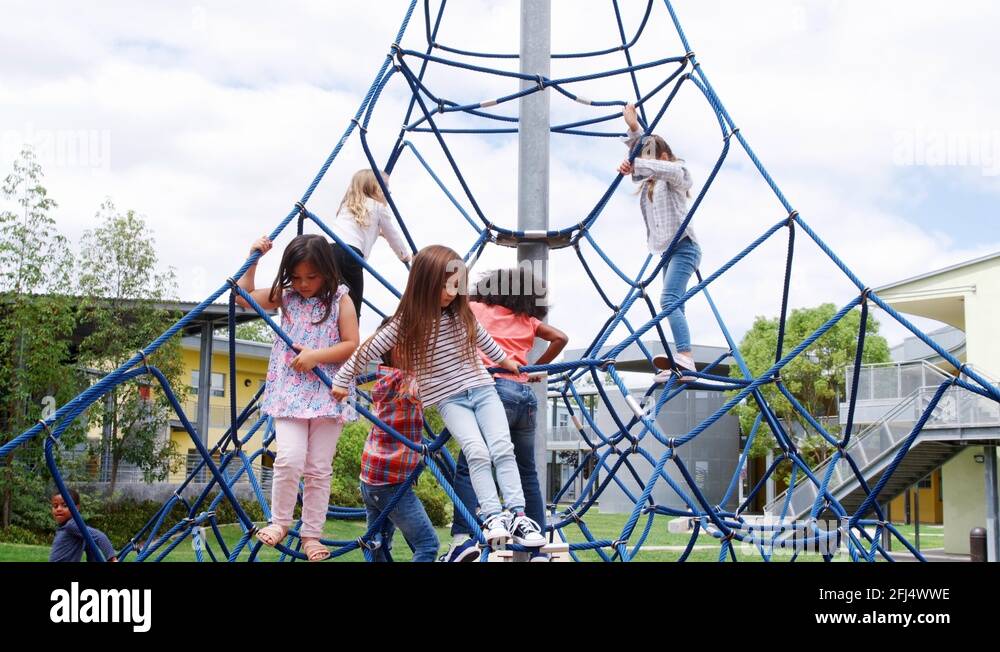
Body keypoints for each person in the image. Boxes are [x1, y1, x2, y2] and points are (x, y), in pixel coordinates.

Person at [331, 245, 545, 549]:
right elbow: (369, 349)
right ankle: (493, 516)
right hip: (449, 399)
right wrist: (342, 378)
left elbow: (483, 339)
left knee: (502, 448)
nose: (451, 292)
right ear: (425, 283)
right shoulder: (406, 323)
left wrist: (507, 361)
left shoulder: (462, 314)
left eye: (457, 285)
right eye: (446, 285)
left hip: (483, 388)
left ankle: (518, 515)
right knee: (477, 452)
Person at [236, 233, 359, 561]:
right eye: (298, 277)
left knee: (318, 468)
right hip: (290, 391)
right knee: (289, 459)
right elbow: (243, 297)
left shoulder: (340, 300)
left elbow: (351, 344)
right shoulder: (286, 295)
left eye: (312, 277)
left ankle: (312, 535)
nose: (304, 284)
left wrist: (317, 356)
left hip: (327, 391)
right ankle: (280, 522)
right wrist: (254, 258)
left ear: (327, 272)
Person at [442, 267, 568, 562]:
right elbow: (561, 337)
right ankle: (538, 548)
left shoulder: (475, 308)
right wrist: (537, 369)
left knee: (470, 464)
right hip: (523, 397)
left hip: (490, 390)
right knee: (527, 472)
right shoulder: (528, 319)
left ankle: (464, 537)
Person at [618, 102, 701, 383]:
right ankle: (682, 363)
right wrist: (633, 134)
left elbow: (667, 170)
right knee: (676, 304)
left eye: (652, 159)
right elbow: (642, 163)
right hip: (668, 253)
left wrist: (637, 158)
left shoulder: (677, 175)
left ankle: (686, 357)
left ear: (664, 156)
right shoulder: (650, 186)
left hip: (685, 248)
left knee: (668, 299)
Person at [358, 322, 439, 562]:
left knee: (377, 544)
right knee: (427, 544)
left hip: (371, 478)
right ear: (399, 349)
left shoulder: (383, 378)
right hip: (391, 483)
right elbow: (429, 386)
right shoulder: (407, 382)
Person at [329, 168, 412, 318]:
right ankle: (351, 337)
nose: (389, 192)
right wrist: (405, 256)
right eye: (385, 186)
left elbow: (356, 229)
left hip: (328, 252)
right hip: (351, 256)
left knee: (331, 299)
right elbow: (393, 236)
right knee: (353, 305)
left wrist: (378, 233)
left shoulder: (347, 205)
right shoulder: (378, 207)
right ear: (372, 186)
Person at [49, 488, 117, 562]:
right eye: (55, 506)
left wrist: (112, 559)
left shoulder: (71, 525)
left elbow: (100, 537)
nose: (58, 509)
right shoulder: (66, 526)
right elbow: (89, 544)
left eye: (65, 505)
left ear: (76, 508)